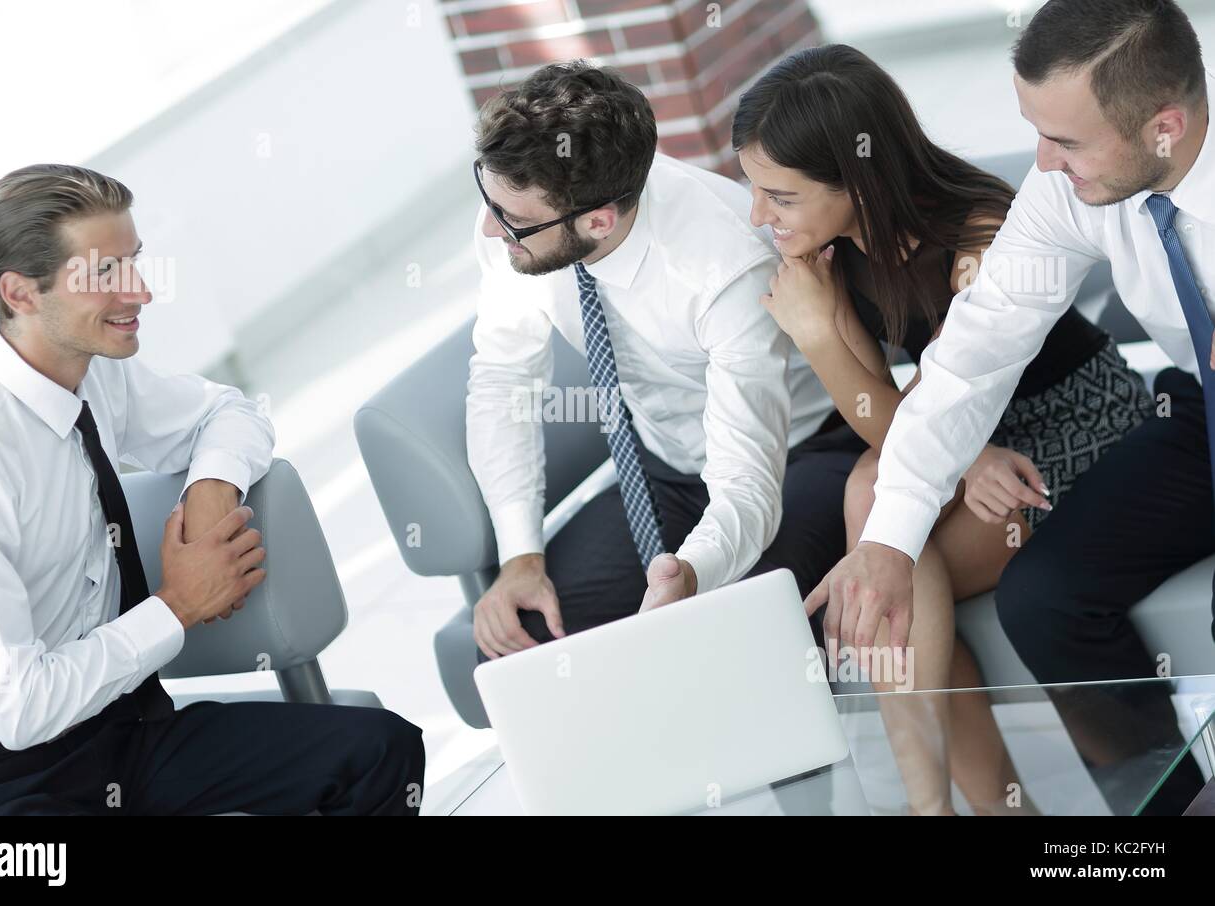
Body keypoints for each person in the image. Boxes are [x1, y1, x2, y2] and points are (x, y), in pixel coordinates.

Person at [0, 164, 424, 816]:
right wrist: (178, 605)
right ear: (20, 293)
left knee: (379, 752)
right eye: (105, 274)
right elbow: (17, 709)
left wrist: (212, 492)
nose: (141, 294)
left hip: (126, 734)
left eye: (134, 261)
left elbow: (232, 414)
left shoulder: (96, 373)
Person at [810, 0, 1213, 815]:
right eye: (1037, 130)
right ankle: (1164, 813)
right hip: (1198, 409)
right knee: (1044, 596)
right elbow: (969, 360)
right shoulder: (1066, 188)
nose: (1042, 159)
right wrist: (889, 540)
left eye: (1065, 140)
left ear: (1165, 125)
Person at [733, 43, 1151, 813]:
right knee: (878, 503)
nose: (761, 218)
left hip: (1073, 423)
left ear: (854, 178)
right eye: (755, 193)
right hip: (960, 448)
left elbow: (946, 404)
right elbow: (880, 428)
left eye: (780, 197)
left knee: (894, 571)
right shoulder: (838, 252)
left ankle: (952, 809)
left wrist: (817, 336)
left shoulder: (979, 232)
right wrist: (953, 457)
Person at [466, 60, 863, 661]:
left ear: (599, 221)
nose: (493, 233)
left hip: (798, 453)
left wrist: (690, 577)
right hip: (666, 462)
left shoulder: (725, 268)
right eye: (490, 202)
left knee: (742, 642)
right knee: (531, 643)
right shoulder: (512, 213)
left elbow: (747, 481)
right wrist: (522, 556)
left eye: (513, 222)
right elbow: (502, 383)